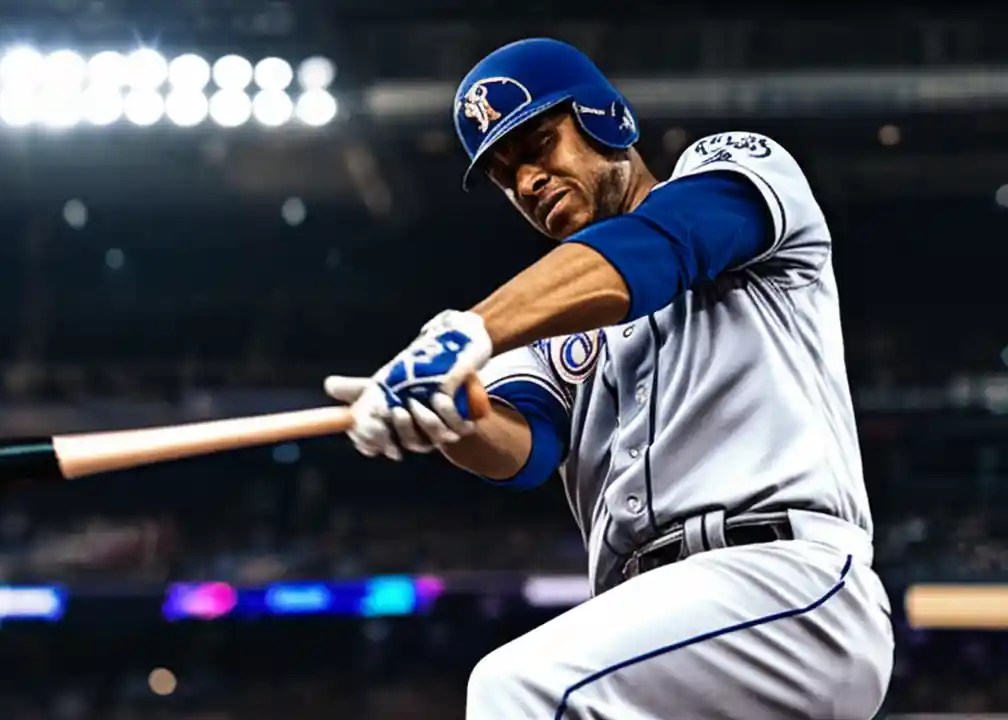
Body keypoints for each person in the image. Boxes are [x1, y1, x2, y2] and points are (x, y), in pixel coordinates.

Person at [323, 38, 894, 719]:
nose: (527, 182)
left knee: (518, 688)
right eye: (507, 175)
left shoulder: (735, 169)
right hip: (660, 633)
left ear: (605, 117)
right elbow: (524, 451)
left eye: (539, 143)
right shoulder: (548, 328)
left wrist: (463, 335)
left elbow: (661, 248)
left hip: (782, 584)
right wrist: (449, 414)